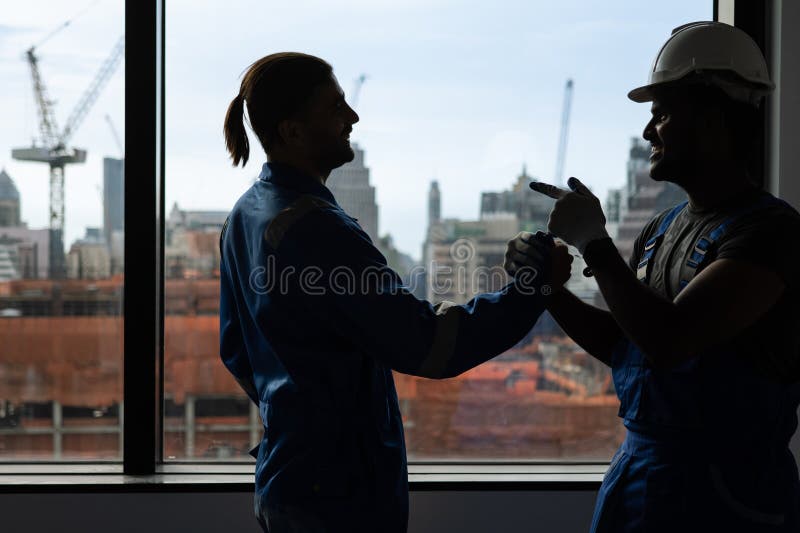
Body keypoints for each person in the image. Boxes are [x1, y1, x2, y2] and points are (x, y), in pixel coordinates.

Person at [219, 52, 571, 532]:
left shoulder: (245, 215)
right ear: (291, 131)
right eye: (334, 107)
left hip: (286, 476)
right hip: (337, 494)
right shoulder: (316, 230)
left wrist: (295, 415)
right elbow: (429, 344)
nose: (353, 117)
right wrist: (533, 288)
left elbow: (236, 350)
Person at [506, 21, 800, 532]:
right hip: (640, 471)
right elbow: (630, 345)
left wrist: (594, 243)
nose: (647, 132)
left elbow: (671, 339)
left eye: (661, 115)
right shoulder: (661, 230)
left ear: (712, 118)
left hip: (727, 495)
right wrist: (548, 290)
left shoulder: (771, 233)